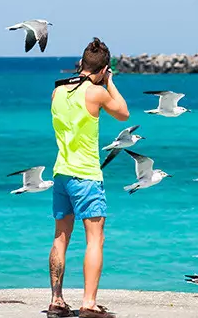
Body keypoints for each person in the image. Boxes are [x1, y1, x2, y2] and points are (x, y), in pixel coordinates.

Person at [47, 38, 130, 318]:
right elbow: (123, 113)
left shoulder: (57, 92)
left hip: (61, 173)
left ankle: (56, 301)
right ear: (104, 68)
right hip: (86, 175)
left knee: (61, 238)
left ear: (81, 63)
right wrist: (109, 81)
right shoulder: (96, 92)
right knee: (95, 240)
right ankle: (89, 303)